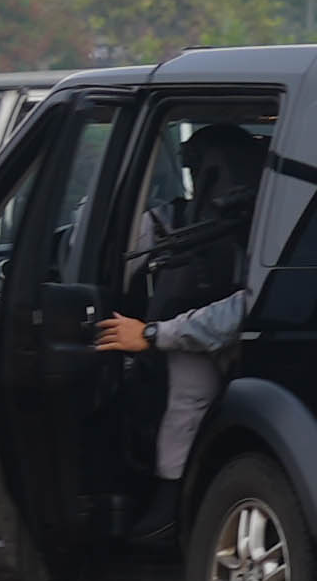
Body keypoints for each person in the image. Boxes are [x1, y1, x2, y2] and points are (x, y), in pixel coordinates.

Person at [93, 124, 268, 540]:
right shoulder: (173, 222)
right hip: (201, 344)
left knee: (187, 393)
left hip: (230, 350)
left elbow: (243, 310)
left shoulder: (263, 229)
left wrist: (154, 334)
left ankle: (170, 509)